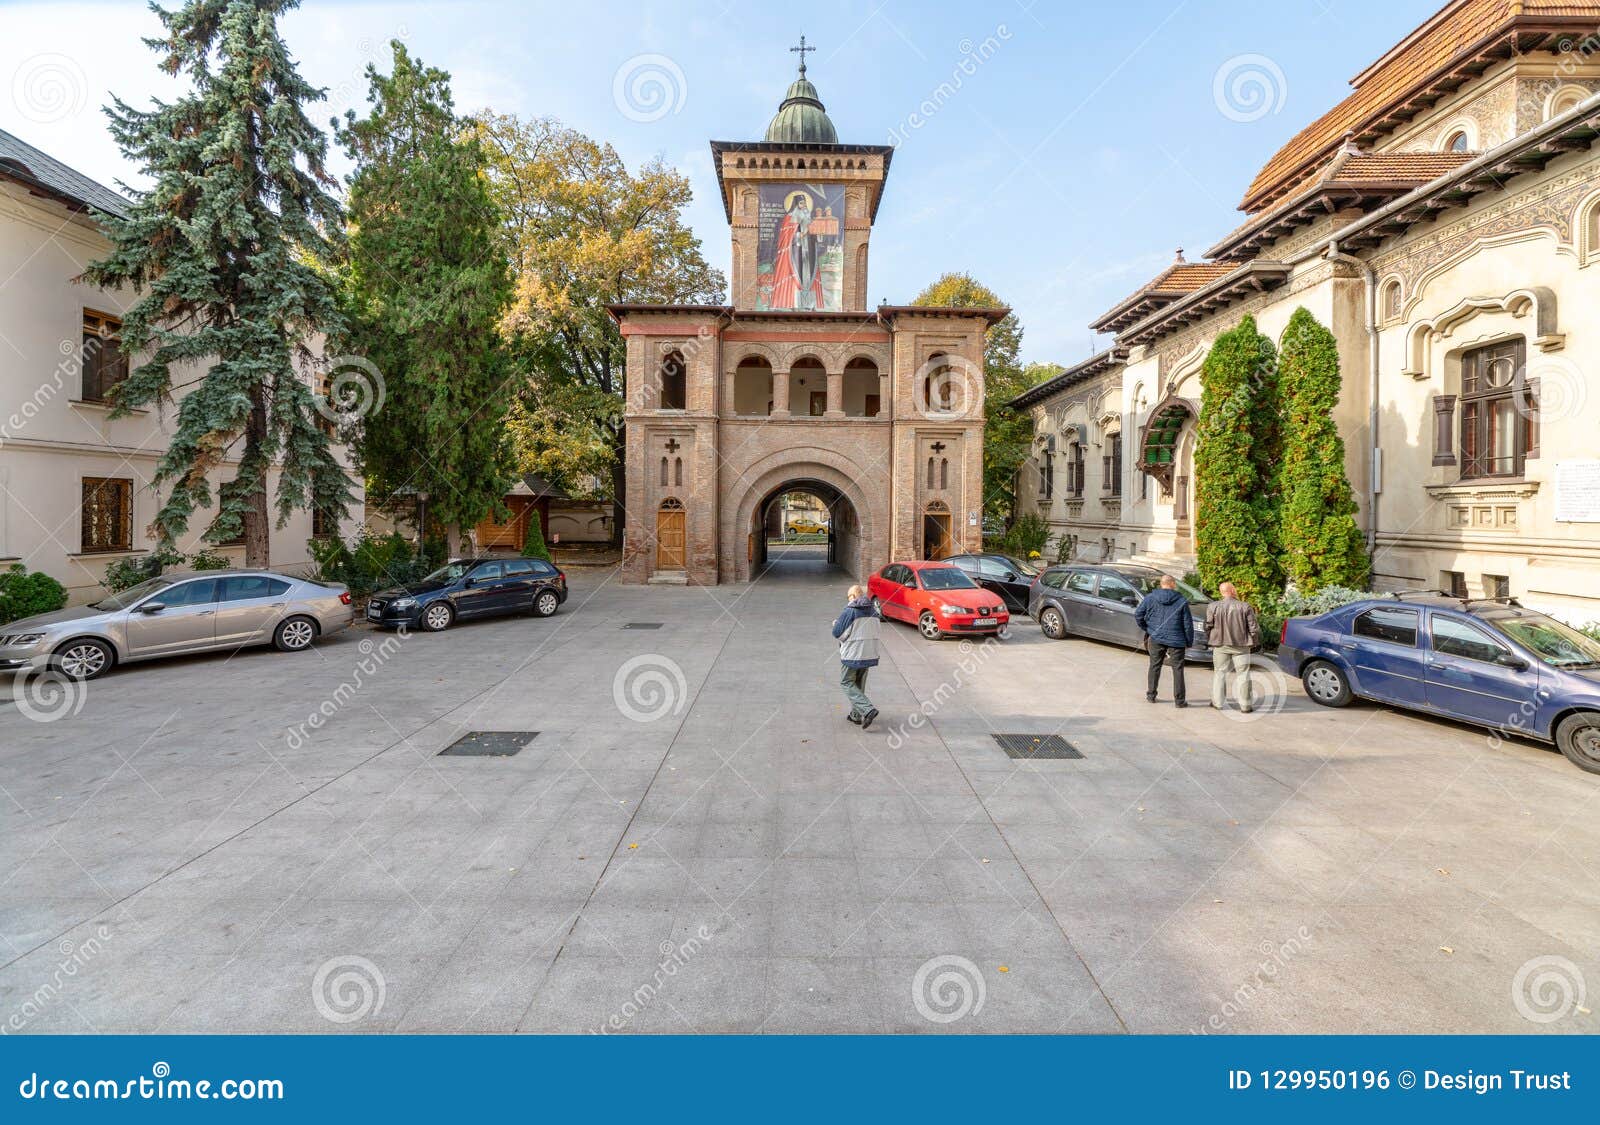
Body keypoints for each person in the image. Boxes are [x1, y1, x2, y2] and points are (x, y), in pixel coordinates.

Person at [1134, 574, 1195, 708]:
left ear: (1161, 584)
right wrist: (1189, 642)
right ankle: (1179, 701)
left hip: (1156, 637)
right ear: (1173, 584)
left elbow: (1138, 614)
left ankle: (1151, 695)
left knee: (1154, 666)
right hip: (1176, 639)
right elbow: (1187, 624)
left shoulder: (1150, 598)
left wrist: (1148, 628)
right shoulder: (1181, 600)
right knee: (1178, 669)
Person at [1205, 581, 1261, 713]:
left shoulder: (1213, 606)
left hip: (1220, 644)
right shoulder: (1245, 606)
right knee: (1243, 674)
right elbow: (1254, 628)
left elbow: (1207, 626)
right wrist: (1254, 643)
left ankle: (1218, 703)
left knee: (1220, 673)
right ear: (1233, 591)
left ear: (1221, 592)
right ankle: (1246, 706)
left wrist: (1211, 639)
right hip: (1241, 645)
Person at [831, 584, 880, 728]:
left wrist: (836, 624)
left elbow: (837, 633)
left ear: (852, 596)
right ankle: (856, 715)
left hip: (852, 654)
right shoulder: (874, 611)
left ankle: (868, 709)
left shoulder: (850, 611)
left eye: (848, 597)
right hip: (869, 653)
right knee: (859, 684)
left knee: (846, 682)